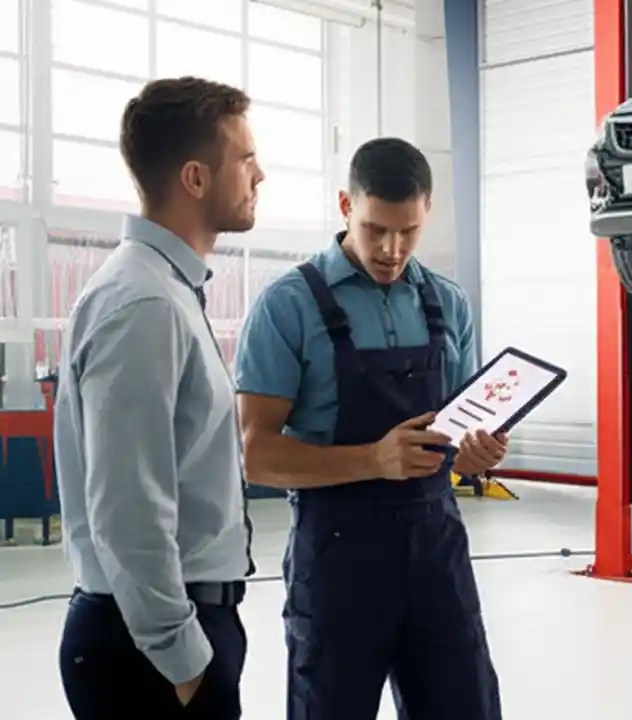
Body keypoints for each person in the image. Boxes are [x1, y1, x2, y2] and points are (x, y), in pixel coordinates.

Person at [234, 137, 507, 720]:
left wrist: (475, 454)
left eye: (409, 231)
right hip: (338, 559)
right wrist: (374, 459)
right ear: (345, 206)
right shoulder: (287, 306)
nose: (391, 249)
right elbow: (256, 455)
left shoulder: (448, 303)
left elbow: (458, 438)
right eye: (375, 229)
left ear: (427, 210)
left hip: (437, 551)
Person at [52, 76, 264, 719]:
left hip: (166, 631)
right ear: (196, 178)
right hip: (148, 649)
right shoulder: (144, 304)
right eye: (246, 160)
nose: (260, 175)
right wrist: (185, 663)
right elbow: (128, 507)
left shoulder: (165, 291)